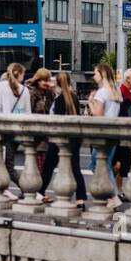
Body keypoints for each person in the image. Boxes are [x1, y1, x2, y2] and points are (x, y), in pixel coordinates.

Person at [0, 63, 29, 199]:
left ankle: (19, 189)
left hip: (3, 131)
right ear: (18, 74)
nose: (24, 77)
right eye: (23, 74)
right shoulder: (25, 90)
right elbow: (28, 113)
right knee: (5, 163)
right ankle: (15, 189)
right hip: (17, 131)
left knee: (2, 162)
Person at [40, 72, 86, 206]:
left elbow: (57, 121)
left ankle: (39, 192)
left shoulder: (60, 99)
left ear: (58, 83)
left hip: (59, 139)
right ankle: (80, 198)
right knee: (76, 169)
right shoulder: (74, 97)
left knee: (48, 166)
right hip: (74, 140)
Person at [88, 63, 123, 209]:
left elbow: (97, 115)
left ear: (101, 74)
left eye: (95, 73)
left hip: (102, 133)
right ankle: (110, 195)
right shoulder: (115, 91)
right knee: (104, 164)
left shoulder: (101, 93)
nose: (93, 76)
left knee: (97, 164)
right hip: (113, 133)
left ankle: (113, 195)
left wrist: (90, 103)